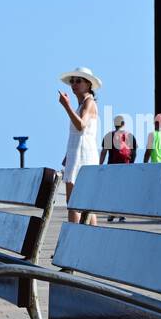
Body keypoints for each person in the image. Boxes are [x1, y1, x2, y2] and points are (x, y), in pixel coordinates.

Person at [58, 67, 101, 225]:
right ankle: (91, 237)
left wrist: (66, 106)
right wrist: (67, 155)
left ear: (88, 84)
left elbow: (81, 126)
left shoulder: (89, 102)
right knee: (83, 203)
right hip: (78, 152)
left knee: (75, 203)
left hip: (83, 155)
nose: (74, 84)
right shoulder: (83, 103)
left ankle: (75, 237)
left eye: (78, 81)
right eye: (72, 81)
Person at [100, 115, 137, 222]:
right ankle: (122, 213)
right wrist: (131, 164)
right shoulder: (130, 136)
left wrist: (100, 166)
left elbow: (103, 153)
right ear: (123, 124)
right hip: (125, 166)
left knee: (112, 190)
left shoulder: (109, 136)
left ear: (114, 124)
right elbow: (133, 153)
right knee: (123, 190)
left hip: (112, 166)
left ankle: (112, 213)